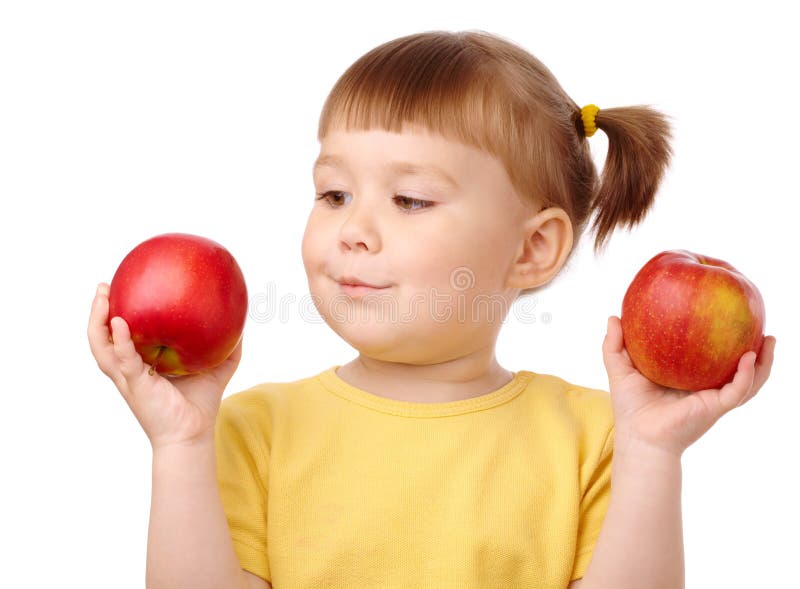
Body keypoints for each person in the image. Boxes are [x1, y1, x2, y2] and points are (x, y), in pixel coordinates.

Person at [87, 30, 776, 589]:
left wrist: (653, 453)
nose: (352, 229)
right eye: (333, 194)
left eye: (410, 199)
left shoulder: (600, 441)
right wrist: (179, 447)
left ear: (533, 249)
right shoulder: (250, 431)